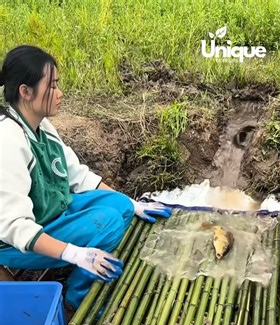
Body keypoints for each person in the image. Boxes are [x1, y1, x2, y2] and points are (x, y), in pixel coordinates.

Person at [0, 45, 171, 309]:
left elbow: (77, 174)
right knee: (109, 222)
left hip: (52, 213)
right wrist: (74, 253)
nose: (60, 93)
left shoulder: (41, 125)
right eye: (53, 86)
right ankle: (77, 295)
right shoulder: (8, 141)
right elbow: (14, 226)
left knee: (121, 206)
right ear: (26, 91)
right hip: (17, 242)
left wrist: (132, 202)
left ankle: (85, 255)